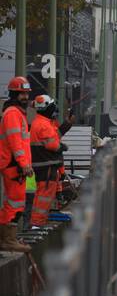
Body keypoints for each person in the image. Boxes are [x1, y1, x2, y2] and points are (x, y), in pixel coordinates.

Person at [0, 77, 35, 252]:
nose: (25, 97)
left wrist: (25, 163)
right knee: (14, 203)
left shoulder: (16, 113)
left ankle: (9, 238)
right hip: (13, 165)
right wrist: (23, 163)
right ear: (14, 93)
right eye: (21, 93)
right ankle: (7, 240)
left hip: (16, 165)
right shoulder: (13, 114)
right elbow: (15, 142)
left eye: (26, 93)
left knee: (15, 203)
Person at [29, 95, 65, 227]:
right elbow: (53, 145)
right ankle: (37, 224)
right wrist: (62, 147)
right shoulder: (44, 125)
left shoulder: (37, 122)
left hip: (41, 165)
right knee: (44, 197)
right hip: (47, 165)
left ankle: (36, 223)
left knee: (41, 195)